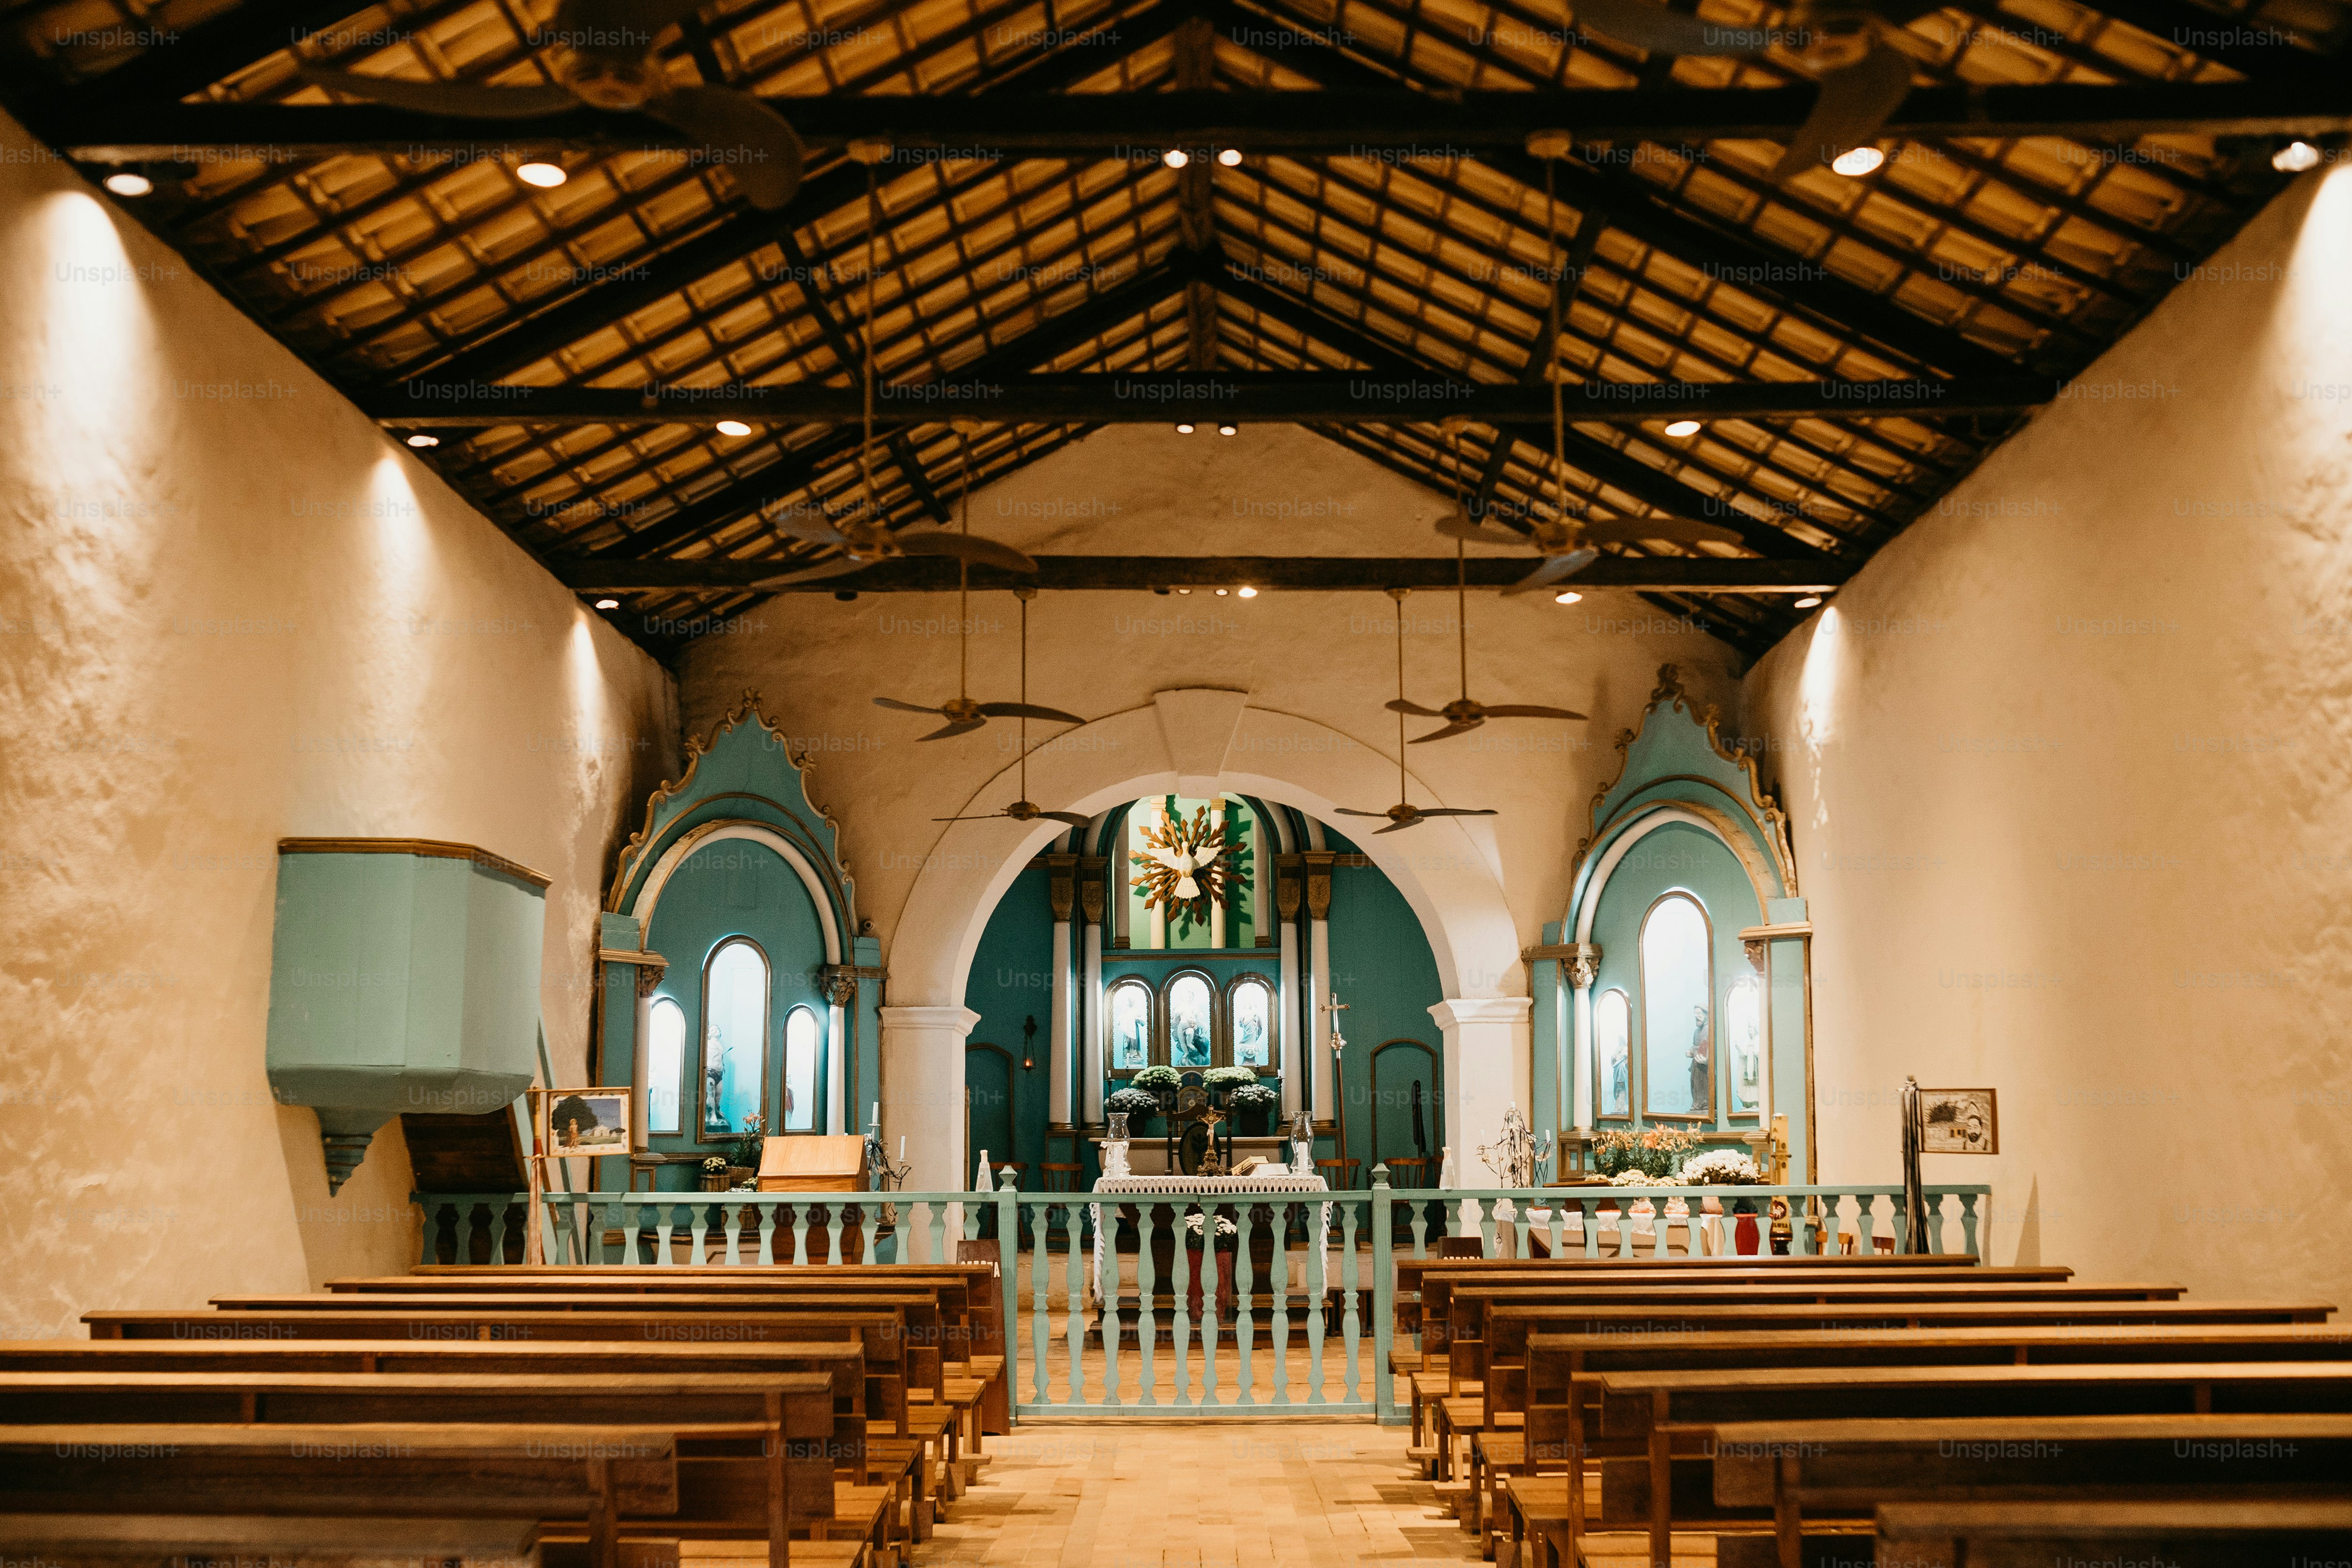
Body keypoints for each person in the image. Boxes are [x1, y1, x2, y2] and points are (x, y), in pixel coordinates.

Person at [1688, 1004, 1712, 1115]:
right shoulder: (1696, 1032)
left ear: (1706, 1015)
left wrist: (1706, 1060)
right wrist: (1690, 1052)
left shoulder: (1710, 1029)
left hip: (1705, 1064)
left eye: (1699, 1014)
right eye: (1695, 1014)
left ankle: (1706, 1103)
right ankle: (1697, 1103)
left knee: (1704, 1083)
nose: (1697, 1017)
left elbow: (1712, 1047)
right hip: (1696, 1063)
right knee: (1695, 1083)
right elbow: (1695, 1046)